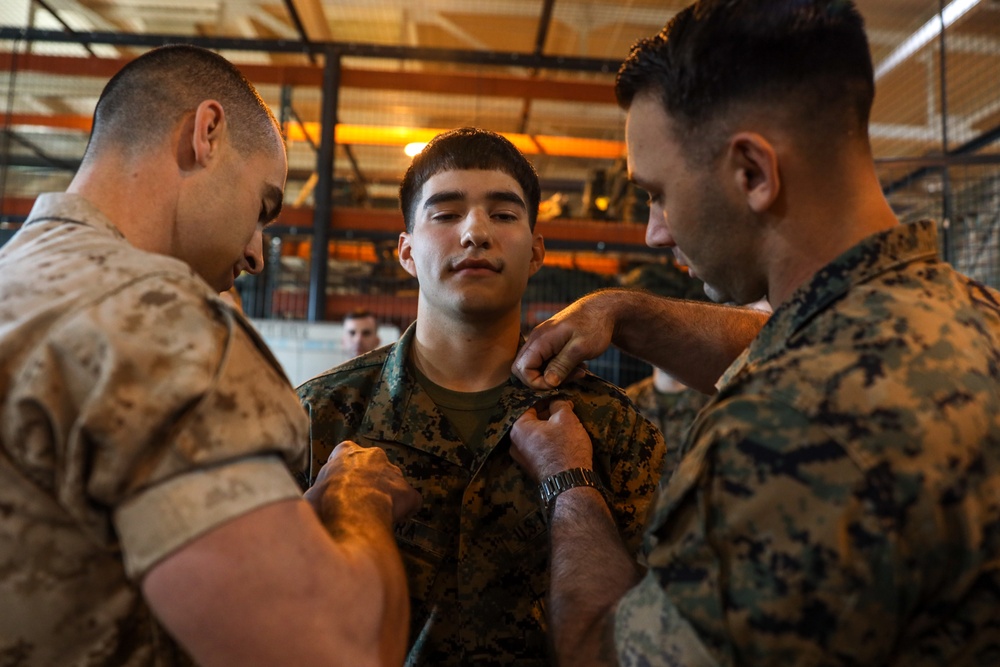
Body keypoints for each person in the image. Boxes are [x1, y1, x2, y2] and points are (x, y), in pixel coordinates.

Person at [509, 1, 1000, 665]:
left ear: (753, 173)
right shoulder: (968, 315)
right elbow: (794, 340)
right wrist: (626, 311)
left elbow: (605, 656)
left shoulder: (786, 431)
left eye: (658, 193)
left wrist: (567, 481)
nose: (655, 232)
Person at [0, 45, 420, 667]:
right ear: (207, 134)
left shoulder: (20, 282)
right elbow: (338, 652)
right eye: (262, 208)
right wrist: (358, 499)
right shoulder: (158, 318)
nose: (255, 254)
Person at [297, 127, 667, 667]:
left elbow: (653, 626)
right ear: (406, 252)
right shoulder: (319, 417)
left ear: (536, 251)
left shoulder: (610, 426)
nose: (474, 232)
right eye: (446, 214)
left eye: (504, 214)